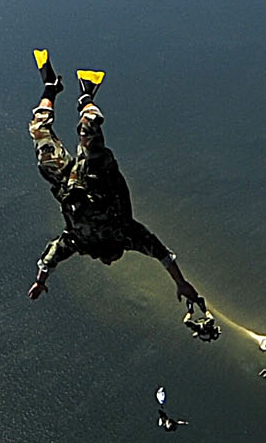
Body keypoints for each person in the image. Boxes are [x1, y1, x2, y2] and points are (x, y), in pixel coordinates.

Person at [25, 52, 217, 340]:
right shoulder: (126, 234)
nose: (111, 262)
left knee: (40, 130)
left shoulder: (78, 241)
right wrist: (181, 283)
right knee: (89, 124)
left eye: (109, 261)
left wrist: (41, 280)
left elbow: (50, 258)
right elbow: (162, 254)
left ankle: (51, 87)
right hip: (97, 175)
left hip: (68, 182)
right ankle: (85, 96)